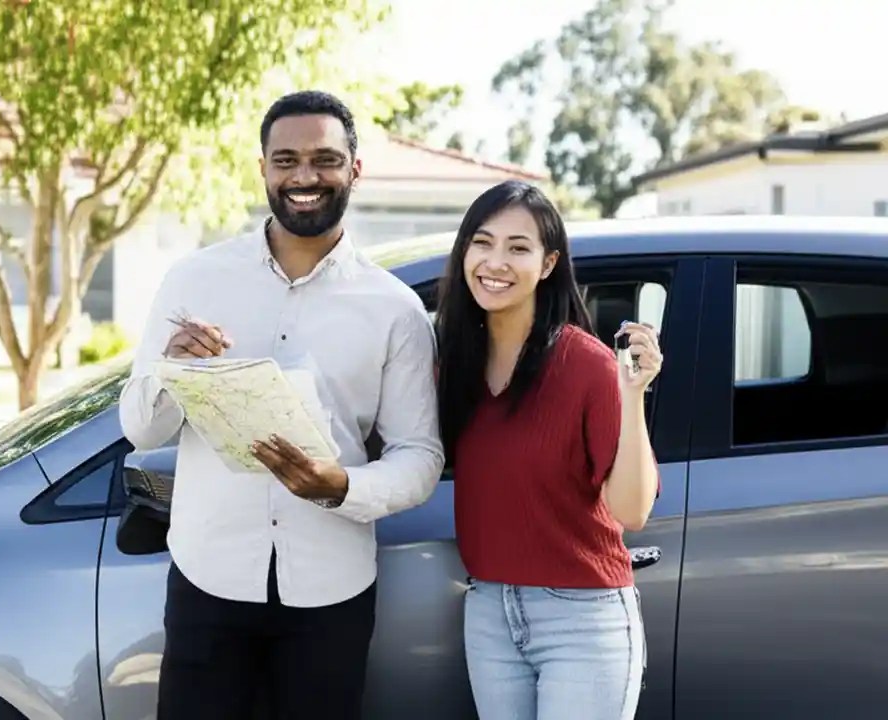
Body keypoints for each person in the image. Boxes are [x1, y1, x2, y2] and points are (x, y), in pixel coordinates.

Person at [119, 90, 444, 720]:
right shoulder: (194, 280)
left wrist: (343, 485)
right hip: (208, 579)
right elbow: (139, 428)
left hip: (333, 588)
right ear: (263, 168)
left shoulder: (395, 308)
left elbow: (420, 455)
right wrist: (172, 369)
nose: (304, 177)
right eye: (286, 159)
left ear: (355, 168)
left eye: (324, 159)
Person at [434, 180, 662, 719]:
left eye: (519, 247)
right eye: (482, 242)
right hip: (489, 611)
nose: (495, 262)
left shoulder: (586, 365)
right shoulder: (452, 364)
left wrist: (632, 396)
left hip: (582, 617)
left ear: (548, 262)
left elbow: (632, 511)